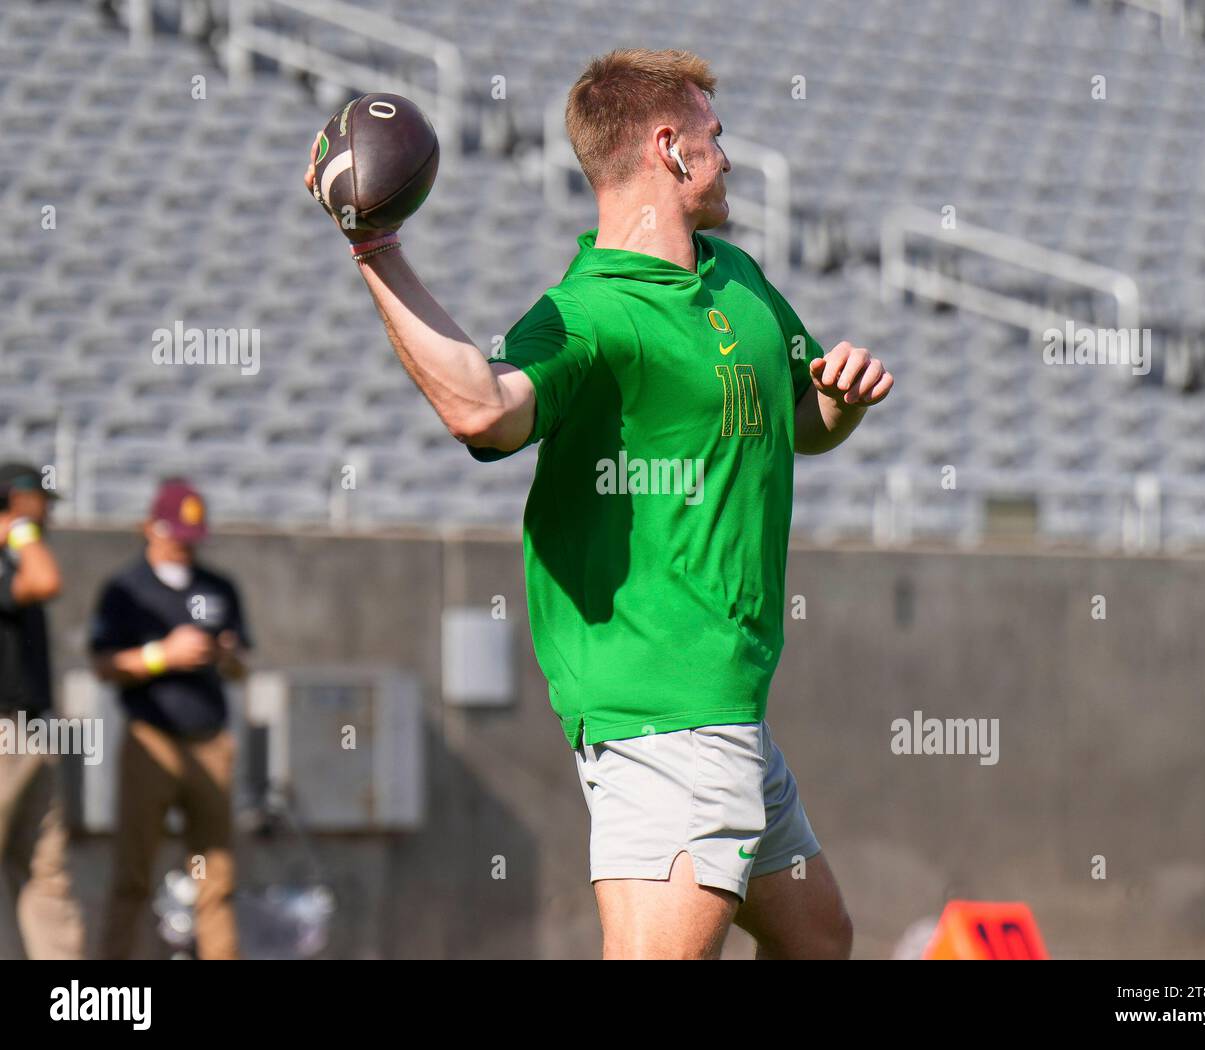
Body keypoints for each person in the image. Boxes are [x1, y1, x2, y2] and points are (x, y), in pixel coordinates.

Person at [305, 48, 893, 959]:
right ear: (671, 148)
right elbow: (483, 408)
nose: (728, 157)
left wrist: (839, 401)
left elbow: (801, 424)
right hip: (670, 716)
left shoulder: (736, 277)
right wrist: (374, 249)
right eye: (715, 137)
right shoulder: (588, 312)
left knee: (820, 939)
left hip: (726, 705)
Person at [89, 478, 251, 959]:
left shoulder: (219, 587)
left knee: (215, 879)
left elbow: (242, 666)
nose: (183, 545)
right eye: (175, 533)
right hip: (151, 740)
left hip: (210, 740)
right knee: (132, 876)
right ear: (150, 527)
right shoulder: (125, 589)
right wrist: (162, 655)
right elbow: (104, 665)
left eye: (190, 536)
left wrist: (225, 656)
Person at [0, 461, 85, 959]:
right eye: (41, 501)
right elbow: (46, 579)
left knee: (45, 873)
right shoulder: (18, 551)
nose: (49, 513)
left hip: (32, 728)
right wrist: (22, 529)